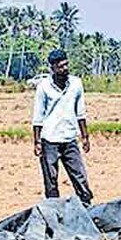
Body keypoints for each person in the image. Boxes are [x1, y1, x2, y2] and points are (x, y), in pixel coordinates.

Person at [31, 49, 94, 206]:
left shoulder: (76, 84)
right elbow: (38, 116)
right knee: (51, 179)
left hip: (69, 138)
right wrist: (37, 141)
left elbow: (80, 112)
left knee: (79, 176)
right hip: (49, 139)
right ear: (52, 68)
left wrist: (85, 136)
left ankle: (86, 205)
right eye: (60, 67)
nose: (65, 69)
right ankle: (54, 209)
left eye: (66, 65)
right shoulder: (44, 87)